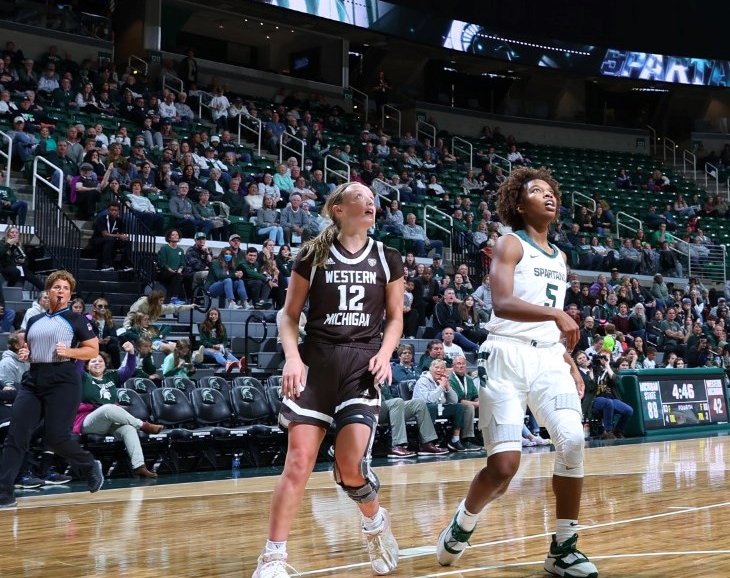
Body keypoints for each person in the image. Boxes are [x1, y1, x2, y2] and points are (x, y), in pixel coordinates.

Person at [433, 167, 596, 576]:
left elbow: (550, 325)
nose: (548, 196)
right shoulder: (509, 243)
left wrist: (569, 359)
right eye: (536, 191)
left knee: (573, 440)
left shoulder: (560, 256)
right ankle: (464, 520)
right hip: (504, 356)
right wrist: (558, 314)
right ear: (520, 205)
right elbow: (502, 303)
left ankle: (563, 547)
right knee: (504, 468)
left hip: (547, 359)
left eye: (551, 191)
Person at [251, 182, 407, 578]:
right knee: (298, 461)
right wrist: (291, 358)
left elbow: (395, 318)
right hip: (316, 364)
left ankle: (375, 523)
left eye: (373, 199)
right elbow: (288, 316)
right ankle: (273, 557)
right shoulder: (312, 254)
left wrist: (386, 354)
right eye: (361, 196)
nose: (371, 201)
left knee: (350, 468)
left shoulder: (387, 258)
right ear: (338, 208)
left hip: (361, 367)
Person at [0, 270, 105, 511]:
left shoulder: (77, 319)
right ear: (48, 291)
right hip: (34, 378)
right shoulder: (34, 320)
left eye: (65, 288)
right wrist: (27, 354)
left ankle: (88, 464)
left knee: (56, 439)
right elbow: (32, 350)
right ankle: (3, 493)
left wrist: (71, 352)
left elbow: (92, 350)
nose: (61, 291)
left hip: (64, 379)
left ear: (70, 294)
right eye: (57, 287)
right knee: (16, 434)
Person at [79, 353, 162, 478]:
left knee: (129, 429)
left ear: (105, 364)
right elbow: (76, 368)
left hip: (109, 421)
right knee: (108, 407)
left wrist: (132, 354)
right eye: (93, 361)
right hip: (88, 421)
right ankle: (143, 425)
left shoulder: (110, 378)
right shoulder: (83, 378)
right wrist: (83, 351)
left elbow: (128, 370)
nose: (97, 363)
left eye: (100, 361)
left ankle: (139, 466)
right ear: (86, 366)